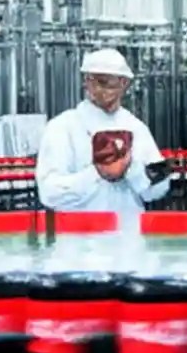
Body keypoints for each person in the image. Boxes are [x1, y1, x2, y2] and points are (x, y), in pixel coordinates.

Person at [35, 48, 171, 224]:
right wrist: (97, 173)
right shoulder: (63, 127)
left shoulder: (136, 128)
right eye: (97, 81)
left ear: (124, 84)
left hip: (128, 237)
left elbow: (158, 189)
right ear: (87, 82)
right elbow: (49, 193)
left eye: (109, 82)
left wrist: (131, 170)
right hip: (79, 240)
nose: (102, 89)